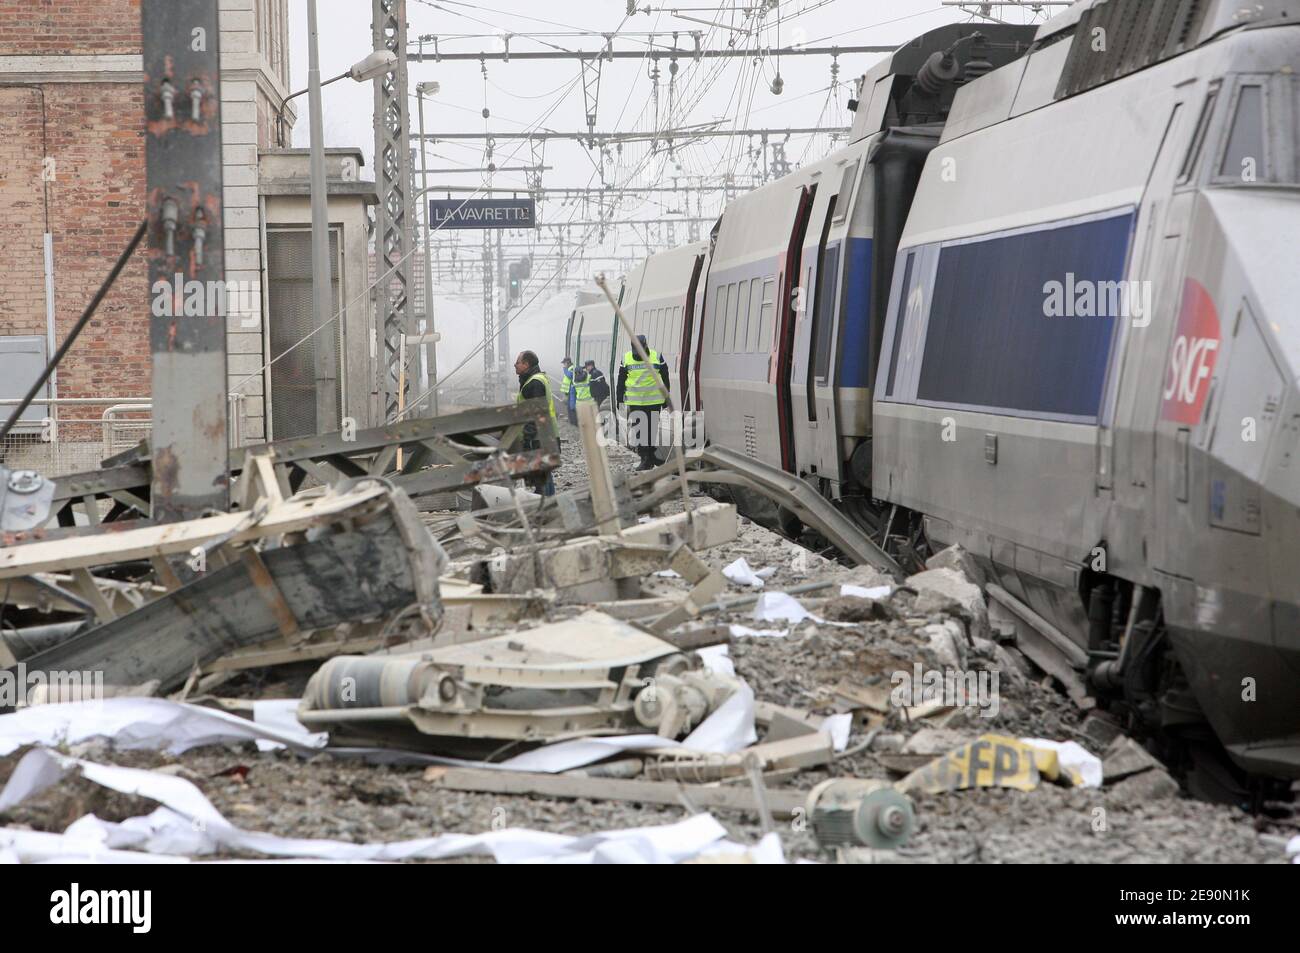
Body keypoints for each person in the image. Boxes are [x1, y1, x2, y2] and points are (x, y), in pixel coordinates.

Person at [616, 334, 669, 471]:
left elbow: (665, 376)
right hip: (636, 402)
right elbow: (621, 379)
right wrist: (619, 398)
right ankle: (645, 458)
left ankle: (650, 457)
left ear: (646, 346)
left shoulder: (657, 356)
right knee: (640, 431)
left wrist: (666, 397)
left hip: (654, 401)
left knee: (651, 430)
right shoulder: (626, 358)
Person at [513, 350, 558, 495]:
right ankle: (552, 507)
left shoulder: (534, 383)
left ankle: (547, 510)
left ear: (526, 364)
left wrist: (528, 437)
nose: (515, 365)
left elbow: (536, 413)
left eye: (517, 362)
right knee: (545, 475)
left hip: (539, 437)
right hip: (546, 434)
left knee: (541, 478)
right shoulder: (535, 379)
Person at [559, 357, 577, 427]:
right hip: (568, 391)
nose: (563, 365)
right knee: (568, 406)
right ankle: (571, 420)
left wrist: (565, 369)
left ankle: (573, 421)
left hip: (571, 390)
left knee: (571, 406)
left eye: (564, 363)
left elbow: (570, 375)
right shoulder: (569, 368)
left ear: (568, 362)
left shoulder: (572, 368)